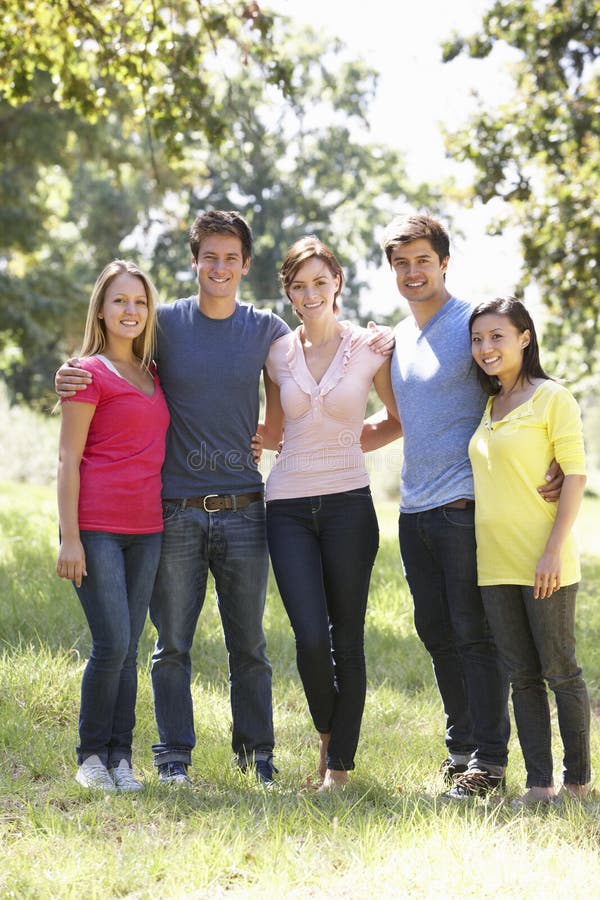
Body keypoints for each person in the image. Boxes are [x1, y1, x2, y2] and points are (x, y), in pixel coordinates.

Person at [56, 210, 392, 788]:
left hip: (246, 509)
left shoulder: (265, 331)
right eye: (208, 256)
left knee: (250, 647)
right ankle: (173, 759)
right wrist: (69, 374)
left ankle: (258, 757)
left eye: (230, 258)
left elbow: (320, 346)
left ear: (244, 265)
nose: (219, 267)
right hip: (174, 512)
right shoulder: (161, 325)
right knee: (172, 646)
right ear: (194, 262)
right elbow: (115, 357)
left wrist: (372, 339)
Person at [361, 212, 563, 798]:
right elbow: (397, 421)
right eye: (401, 262)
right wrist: (311, 441)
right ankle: (461, 748)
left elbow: (522, 391)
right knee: (435, 632)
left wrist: (552, 458)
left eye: (423, 260)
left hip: (465, 505)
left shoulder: (471, 325)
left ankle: (490, 763)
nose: (412, 271)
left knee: (474, 635)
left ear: (444, 262)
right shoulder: (399, 338)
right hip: (415, 509)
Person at [258, 237, 400, 791]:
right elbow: (274, 430)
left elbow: (396, 417)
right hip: (287, 505)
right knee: (310, 638)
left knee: (349, 638)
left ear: (336, 282)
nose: (310, 293)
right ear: (288, 292)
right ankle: (326, 732)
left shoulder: (369, 347)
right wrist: (241, 443)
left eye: (320, 281)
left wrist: (347, 444)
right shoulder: (276, 354)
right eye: (299, 285)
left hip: (348, 505)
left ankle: (338, 768)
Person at [469, 296, 590, 804]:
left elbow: (576, 475)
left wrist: (552, 552)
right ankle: (539, 784)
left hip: (546, 560)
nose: (486, 348)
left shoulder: (551, 398)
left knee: (560, 670)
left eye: (497, 336)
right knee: (522, 676)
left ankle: (578, 782)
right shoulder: (489, 405)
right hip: (494, 563)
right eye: (478, 339)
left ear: (524, 337)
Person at [56, 259, 170, 792]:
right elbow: (67, 460)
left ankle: (121, 757)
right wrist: (70, 537)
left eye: (140, 302)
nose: (131, 310)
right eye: (120, 300)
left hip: (147, 529)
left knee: (131, 645)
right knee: (113, 643)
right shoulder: (86, 372)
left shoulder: (153, 373)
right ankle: (90, 757)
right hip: (97, 526)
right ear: (101, 309)